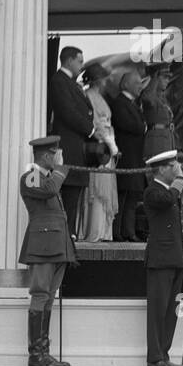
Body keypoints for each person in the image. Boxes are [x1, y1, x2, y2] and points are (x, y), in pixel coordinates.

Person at [18, 135, 76, 366]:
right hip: (42, 246)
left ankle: (44, 352)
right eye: (55, 153)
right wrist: (61, 169)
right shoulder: (31, 176)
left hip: (56, 245)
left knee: (49, 297)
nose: (58, 157)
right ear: (46, 156)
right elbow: (49, 190)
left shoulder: (47, 177)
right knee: (41, 295)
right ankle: (35, 355)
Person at [143, 150, 183, 366]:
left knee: (172, 311)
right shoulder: (153, 191)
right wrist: (181, 180)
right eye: (172, 166)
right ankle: (154, 357)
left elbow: (179, 226)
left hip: (176, 257)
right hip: (161, 260)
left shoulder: (173, 192)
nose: (177, 169)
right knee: (158, 310)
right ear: (161, 169)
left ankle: (164, 352)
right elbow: (167, 200)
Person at [49, 47, 94, 232]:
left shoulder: (71, 83)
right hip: (68, 146)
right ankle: (66, 236)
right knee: (67, 196)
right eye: (80, 61)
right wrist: (90, 129)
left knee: (74, 196)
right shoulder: (60, 81)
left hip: (76, 146)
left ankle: (71, 234)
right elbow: (68, 112)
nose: (81, 65)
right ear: (69, 61)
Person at [79, 63, 118, 243]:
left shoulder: (100, 97)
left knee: (106, 186)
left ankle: (103, 231)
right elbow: (95, 123)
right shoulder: (88, 96)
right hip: (99, 146)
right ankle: (94, 230)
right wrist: (110, 143)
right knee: (97, 187)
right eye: (103, 78)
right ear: (98, 80)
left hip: (107, 142)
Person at [109, 70, 147, 242]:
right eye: (137, 83)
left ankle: (129, 231)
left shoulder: (133, 103)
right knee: (123, 195)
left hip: (136, 157)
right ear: (126, 84)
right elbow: (128, 124)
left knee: (132, 196)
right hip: (126, 157)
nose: (141, 86)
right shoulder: (119, 103)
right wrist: (141, 127)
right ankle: (118, 232)